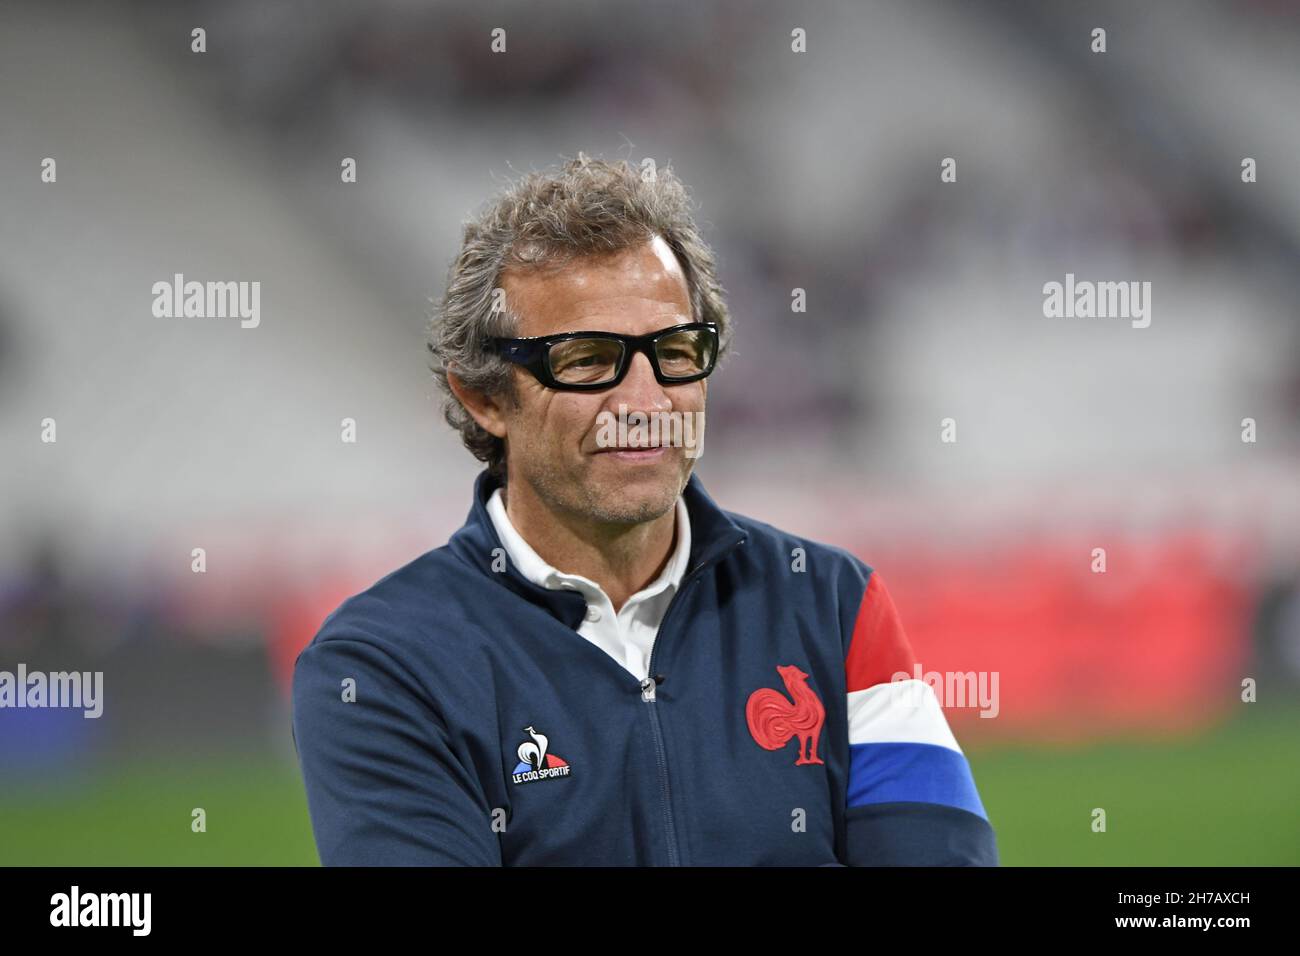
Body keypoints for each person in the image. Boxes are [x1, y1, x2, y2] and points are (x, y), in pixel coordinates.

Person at [291, 153, 998, 866]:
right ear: (485, 397)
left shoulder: (835, 605)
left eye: (675, 350)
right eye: (588, 359)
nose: (644, 402)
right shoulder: (381, 665)